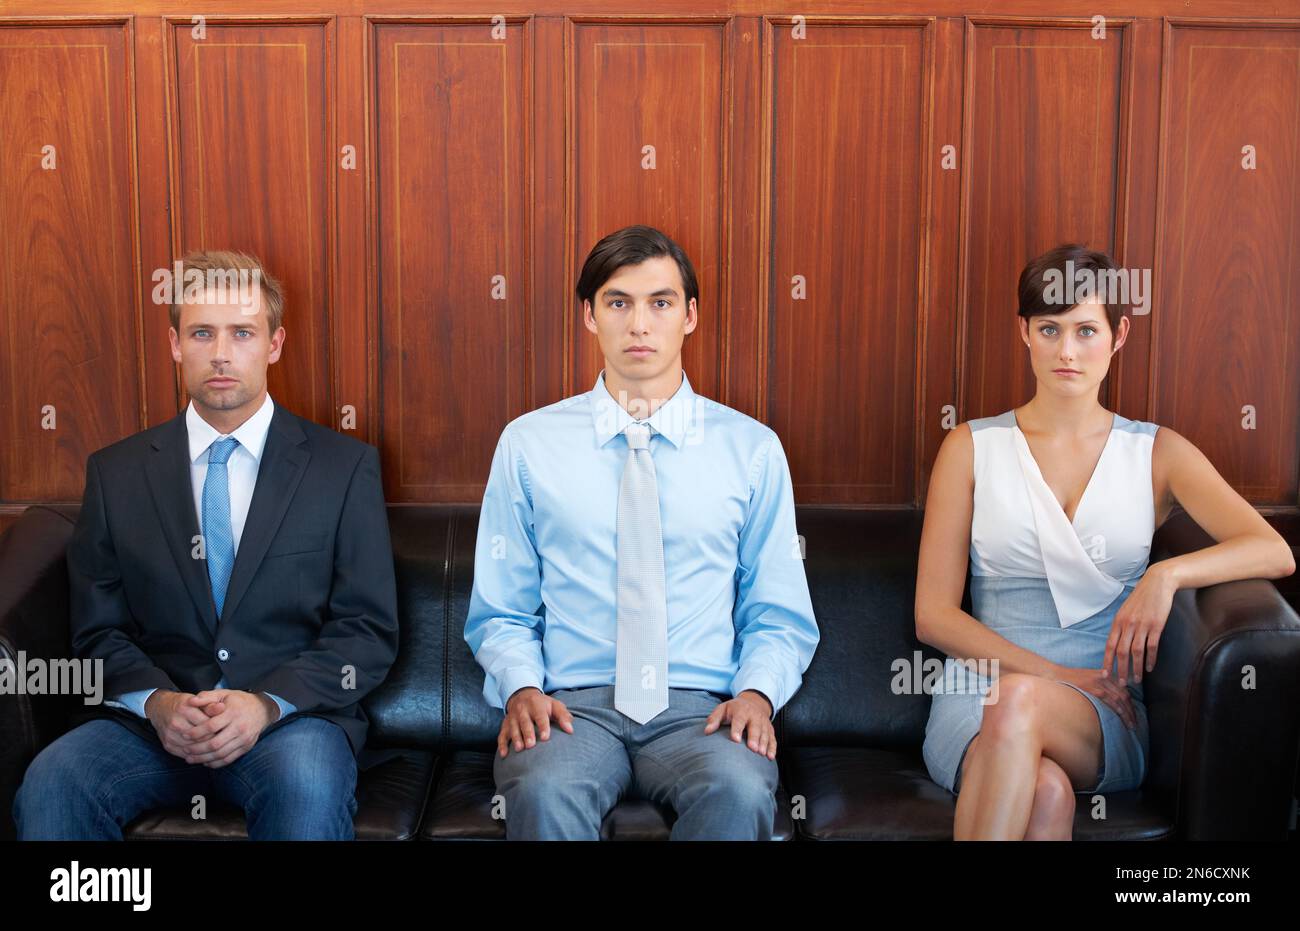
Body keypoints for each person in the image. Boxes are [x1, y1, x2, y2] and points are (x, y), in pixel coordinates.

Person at [14, 250, 399, 840]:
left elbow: (367, 629)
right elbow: (96, 631)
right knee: (53, 782)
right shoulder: (115, 475)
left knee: (307, 790)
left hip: (291, 727)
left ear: (274, 344)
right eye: (201, 333)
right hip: (147, 731)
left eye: (242, 332)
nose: (221, 353)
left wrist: (266, 704)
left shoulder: (342, 468)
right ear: (175, 344)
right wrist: (158, 704)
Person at [915, 243, 1295, 840]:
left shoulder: (1156, 452)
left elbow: (1274, 549)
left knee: (1021, 703)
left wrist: (1163, 576)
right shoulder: (968, 446)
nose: (1067, 351)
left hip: (1103, 703)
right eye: (1049, 329)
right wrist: (1052, 674)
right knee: (1044, 790)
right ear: (1024, 332)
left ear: (1118, 336)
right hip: (979, 691)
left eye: (1085, 330)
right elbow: (933, 617)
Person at [465, 225, 820, 840]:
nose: (639, 325)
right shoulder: (527, 445)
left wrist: (757, 695)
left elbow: (779, 610)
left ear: (690, 316)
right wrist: (521, 685)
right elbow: (500, 608)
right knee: (545, 790)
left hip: (700, 712)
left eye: (661, 302)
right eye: (618, 302)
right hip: (569, 708)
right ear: (589, 315)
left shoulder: (752, 450)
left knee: (738, 790)